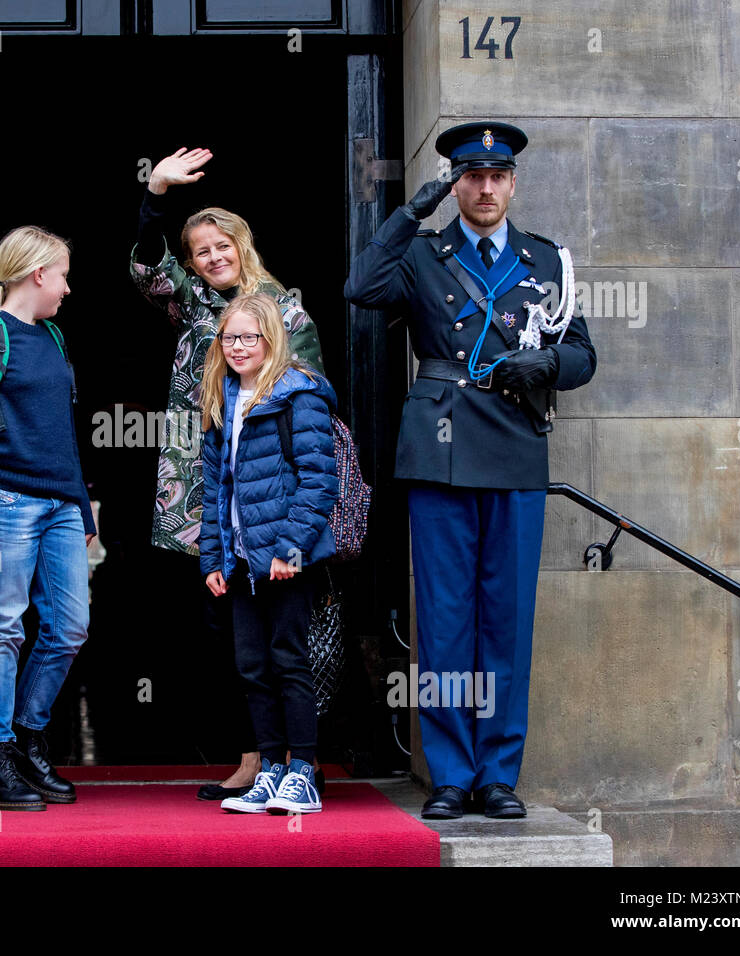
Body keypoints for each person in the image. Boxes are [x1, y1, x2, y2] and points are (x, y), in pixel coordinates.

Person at [344, 122, 596, 819]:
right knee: (448, 618)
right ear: (456, 182)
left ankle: (497, 774)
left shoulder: (546, 261)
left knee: (506, 620)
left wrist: (545, 363)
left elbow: (582, 354)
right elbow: (360, 286)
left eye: (497, 176)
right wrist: (408, 211)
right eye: (470, 176)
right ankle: (452, 772)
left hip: (514, 442)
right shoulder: (425, 253)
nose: (485, 188)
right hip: (441, 445)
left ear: (512, 183)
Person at [131, 147, 326, 800]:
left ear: (242, 246)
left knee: (278, 636)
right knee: (226, 628)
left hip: (270, 496)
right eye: (201, 252)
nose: (213, 259)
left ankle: (287, 761)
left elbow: (312, 402)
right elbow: (144, 271)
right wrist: (155, 196)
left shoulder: (285, 310)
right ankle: (255, 756)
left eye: (222, 247)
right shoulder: (190, 304)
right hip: (201, 490)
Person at [0, 226, 96, 812]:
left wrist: (82, 505)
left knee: (70, 628)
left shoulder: (54, 336)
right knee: (3, 628)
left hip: (61, 506)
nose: (66, 286)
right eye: (61, 274)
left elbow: (63, 433)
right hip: (5, 505)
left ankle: (30, 737)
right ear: (37, 275)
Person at [198, 293, 338, 813]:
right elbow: (217, 488)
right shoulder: (222, 396)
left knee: (289, 661)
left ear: (271, 339)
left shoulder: (298, 394)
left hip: (285, 558)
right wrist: (213, 559)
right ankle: (271, 769)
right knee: (252, 666)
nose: (237, 347)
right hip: (242, 561)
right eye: (228, 337)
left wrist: (289, 548)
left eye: (248, 337)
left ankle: (303, 771)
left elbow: (320, 479)